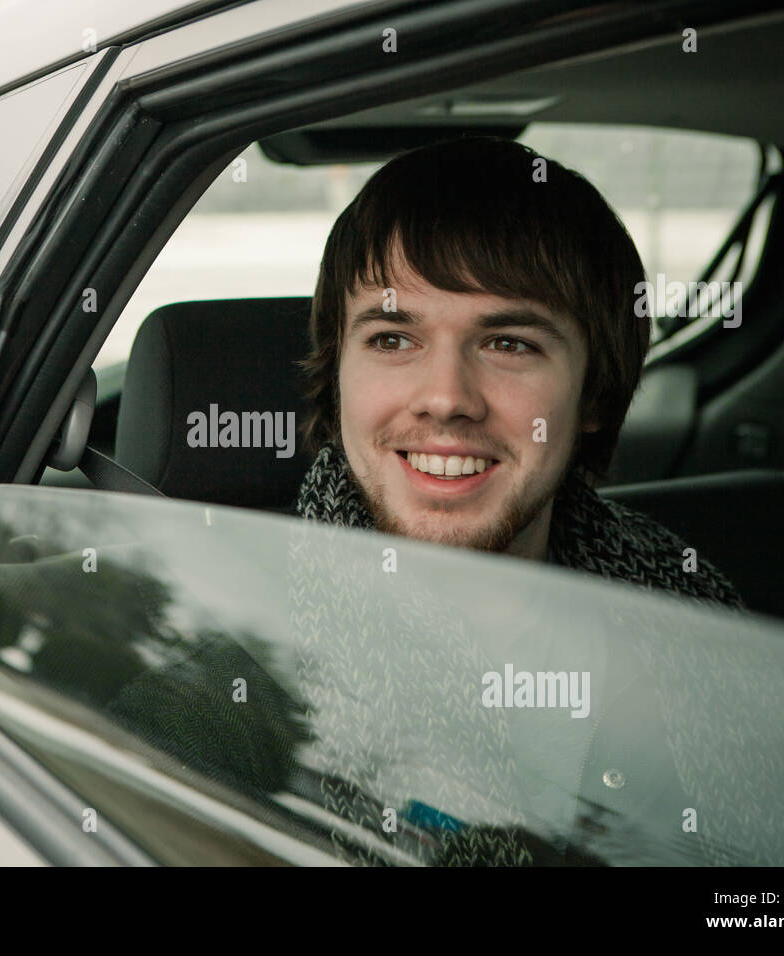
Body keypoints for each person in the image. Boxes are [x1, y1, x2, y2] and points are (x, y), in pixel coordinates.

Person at [295, 136, 744, 609]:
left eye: (508, 344)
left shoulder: (697, 611)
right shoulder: (232, 652)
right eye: (392, 340)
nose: (446, 399)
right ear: (337, 371)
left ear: (593, 393)